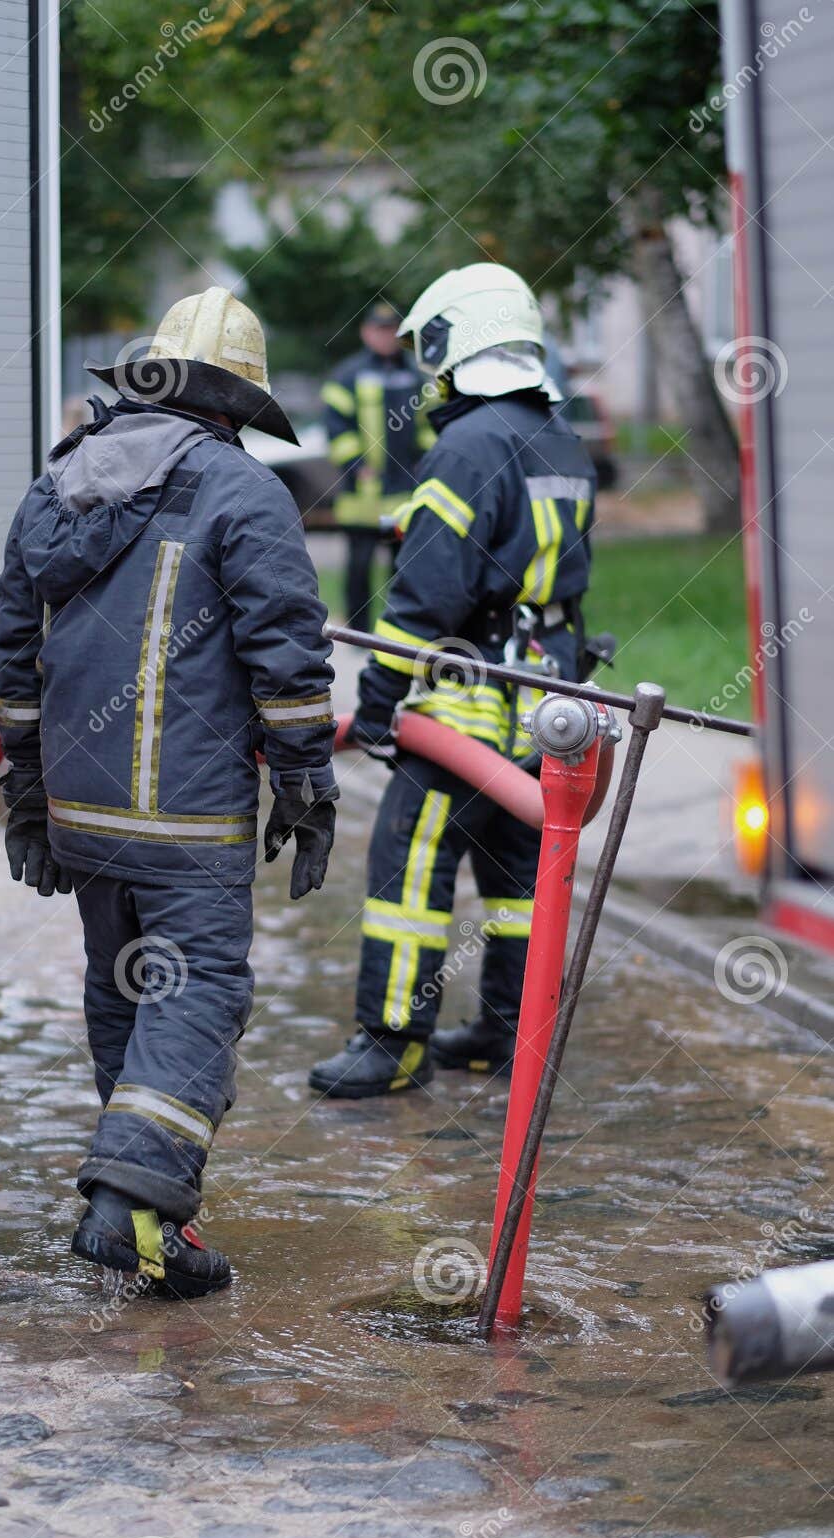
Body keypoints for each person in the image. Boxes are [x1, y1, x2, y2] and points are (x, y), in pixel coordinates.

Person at [0, 287, 338, 1296]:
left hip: (83, 817)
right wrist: (307, 787)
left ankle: (148, 1227)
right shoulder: (242, 491)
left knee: (128, 996)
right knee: (195, 996)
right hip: (188, 820)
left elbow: (13, 659)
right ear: (230, 403)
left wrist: (27, 797)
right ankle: (124, 1205)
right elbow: (285, 655)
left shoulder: (52, 487)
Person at [309, 263, 596, 1100]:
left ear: (456, 340)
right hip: (543, 706)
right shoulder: (561, 438)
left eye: (430, 345)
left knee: (409, 870)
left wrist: (375, 702)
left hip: (461, 708)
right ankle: (511, 1032)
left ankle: (393, 1040)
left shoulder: (466, 446)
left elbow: (424, 599)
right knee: (514, 873)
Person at [322, 302, 434, 631]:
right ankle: (359, 631)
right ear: (366, 333)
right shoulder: (347, 375)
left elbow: (429, 424)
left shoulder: (414, 375)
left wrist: (426, 460)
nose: (385, 337)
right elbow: (336, 427)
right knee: (359, 566)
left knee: (399, 565)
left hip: (401, 498)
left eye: (391, 331)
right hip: (362, 498)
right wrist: (356, 465)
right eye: (379, 330)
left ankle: (397, 628)